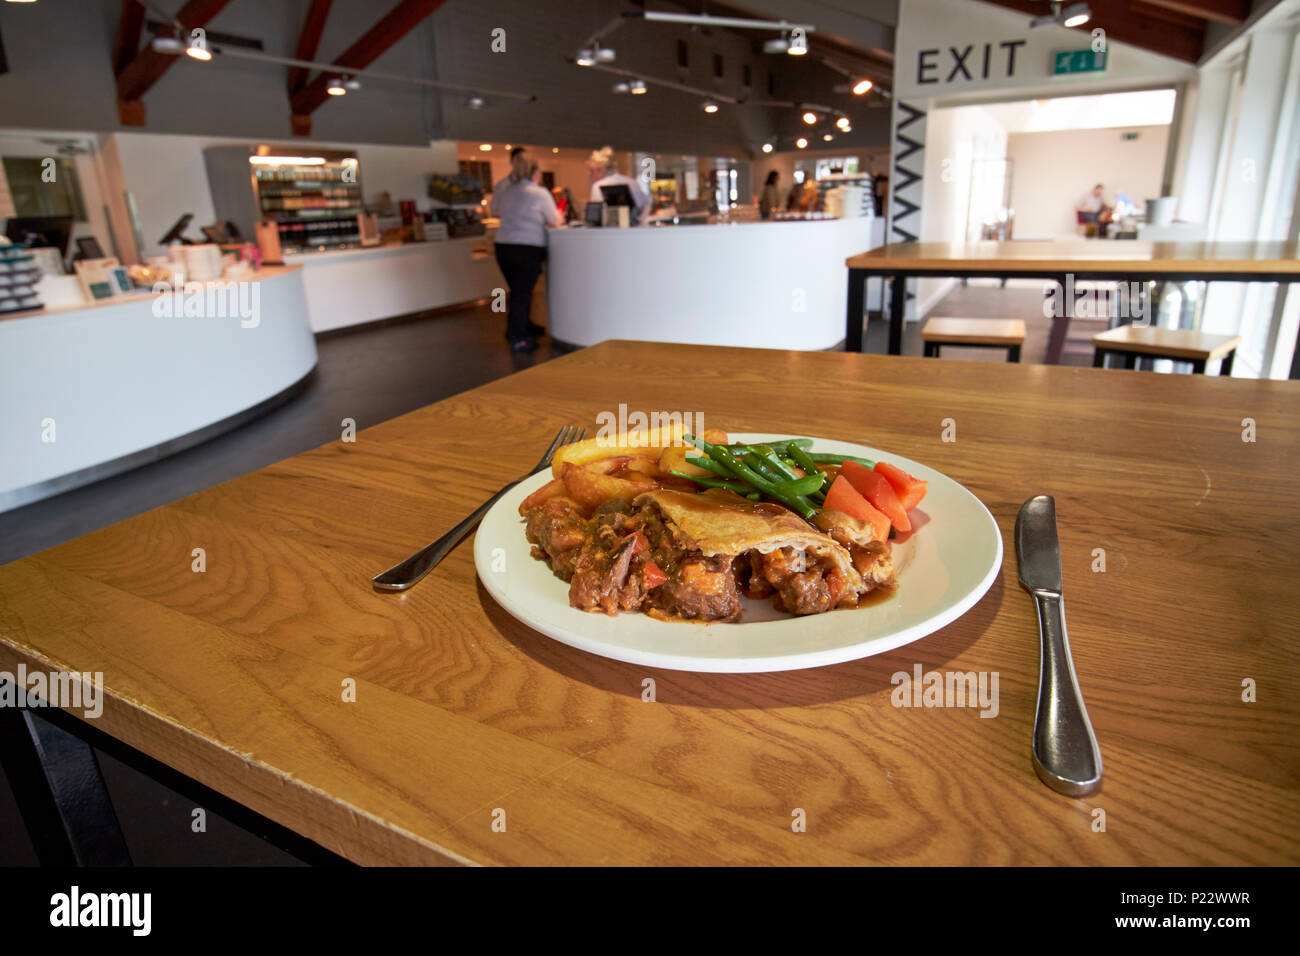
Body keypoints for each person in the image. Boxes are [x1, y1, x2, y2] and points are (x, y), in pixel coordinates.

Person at [490, 147, 562, 352]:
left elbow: (496, 210)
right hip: (526, 248)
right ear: (536, 172)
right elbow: (555, 221)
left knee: (519, 292)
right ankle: (517, 338)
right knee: (522, 294)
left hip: (503, 247)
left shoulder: (507, 190)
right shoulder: (539, 193)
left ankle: (523, 327)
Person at [586, 146, 651, 224]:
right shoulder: (632, 182)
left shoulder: (597, 186)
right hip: (634, 229)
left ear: (602, 169)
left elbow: (596, 216)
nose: (590, 174)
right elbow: (645, 204)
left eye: (592, 171)